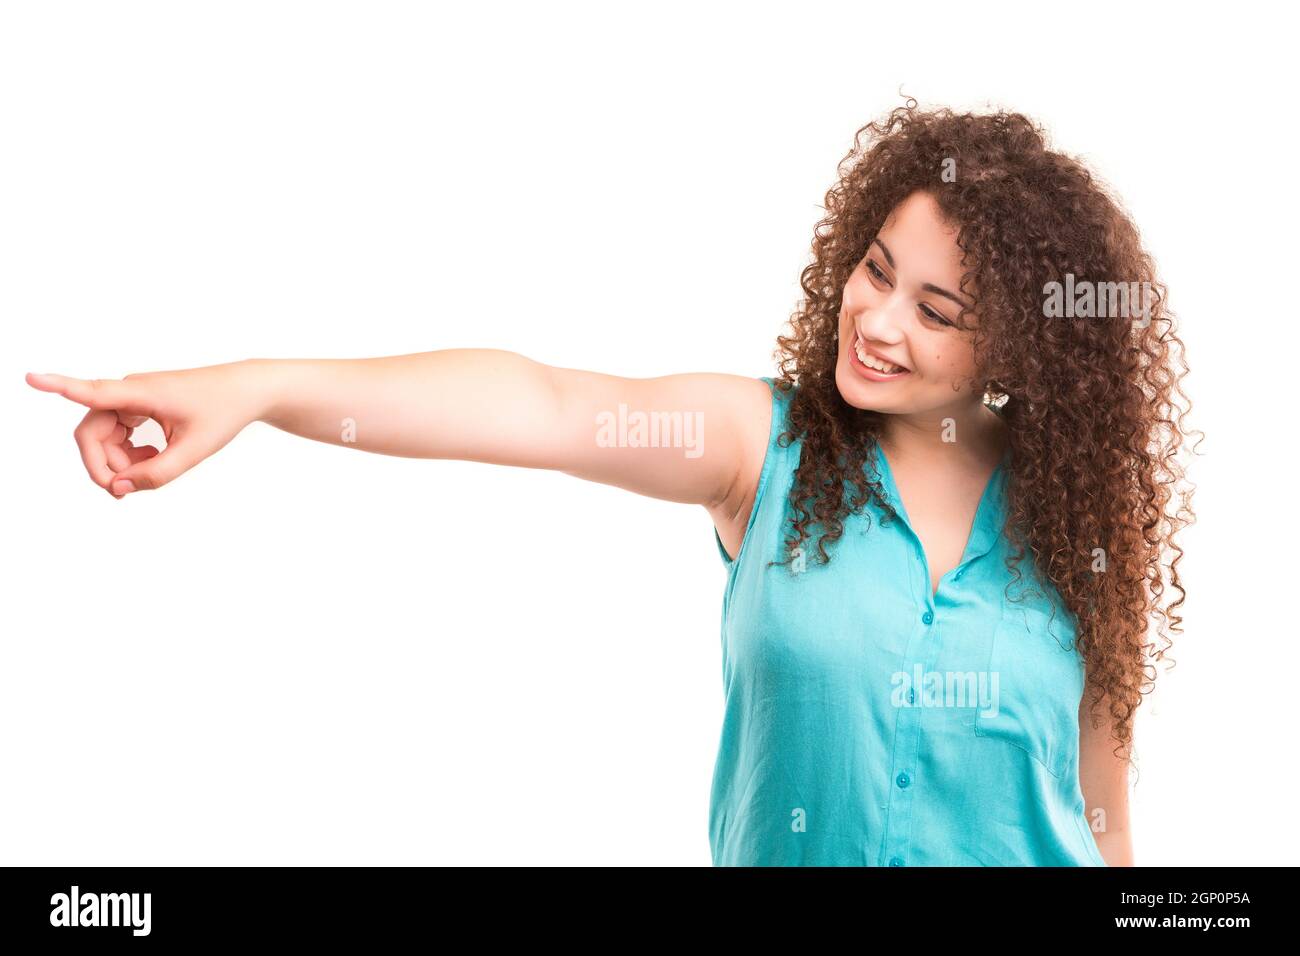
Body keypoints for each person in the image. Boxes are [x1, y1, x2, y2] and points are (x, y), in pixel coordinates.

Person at [25, 102, 1195, 866]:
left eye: (933, 311)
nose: (874, 319)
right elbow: (544, 403)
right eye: (875, 270)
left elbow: (1103, 820)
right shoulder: (766, 449)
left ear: (1019, 353)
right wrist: (261, 389)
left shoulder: (1080, 538)